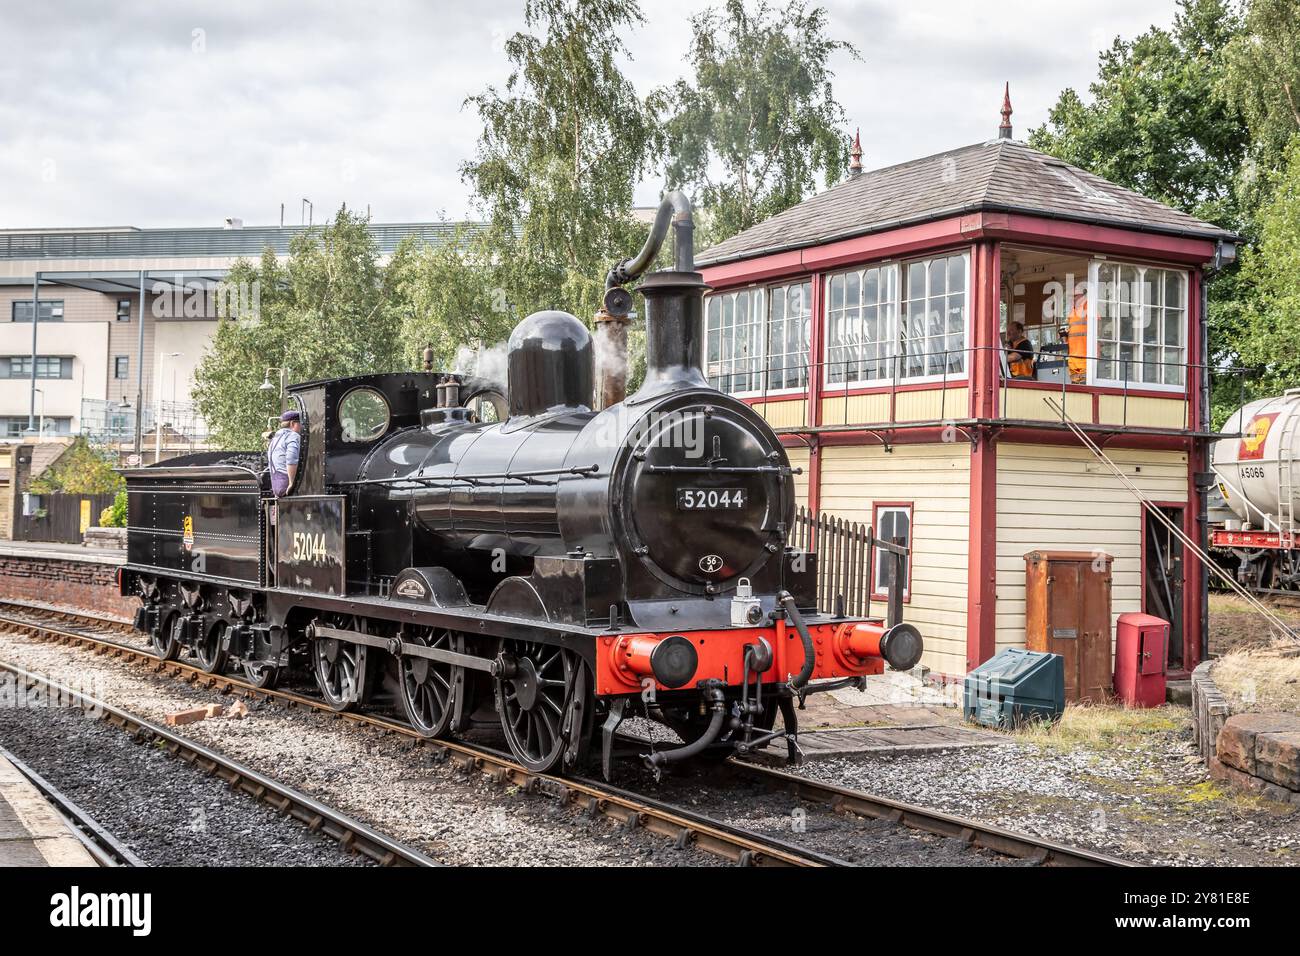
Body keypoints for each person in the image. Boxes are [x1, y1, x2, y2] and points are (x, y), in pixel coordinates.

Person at [267, 410, 302, 497]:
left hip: (276, 486)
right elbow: (291, 459)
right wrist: (291, 483)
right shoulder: (292, 436)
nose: (302, 427)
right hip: (286, 485)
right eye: (300, 423)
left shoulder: (275, 439)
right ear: (292, 423)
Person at [1066, 284, 1089, 384]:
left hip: (1085, 358)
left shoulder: (1089, 307)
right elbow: (1072, 333)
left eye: (1075, 296)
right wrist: (1065, 336)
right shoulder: (1072, 312)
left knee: (1085, 387)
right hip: (1073, 360)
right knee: (1074, 389)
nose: (1073, 298)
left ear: (1083, 295)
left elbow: (1097, 329)